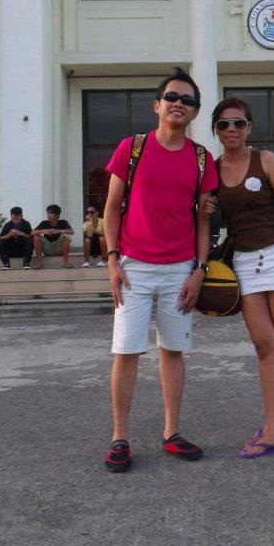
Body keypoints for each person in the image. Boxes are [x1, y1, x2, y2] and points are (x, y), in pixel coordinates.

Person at [102, 67, 218, 473]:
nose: (179, 104)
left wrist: (199, 270)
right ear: (157, 105)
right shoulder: (132, 148)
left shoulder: (202, 159)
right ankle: (120, 436)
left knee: (173, 351)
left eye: (188, 100)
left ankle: (171, 432)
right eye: (172, 97)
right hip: (133, 267)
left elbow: (204, 220)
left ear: (195, 111)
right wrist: (113, 259)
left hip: (179, 270)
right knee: (127, 352)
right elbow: (111, 209)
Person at [209, 96, 274, 459]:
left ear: (249, 127)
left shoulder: (265, 160)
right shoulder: (214, 169)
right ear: (216, 130)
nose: (232, 129)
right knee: (264, 344)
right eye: (224, 124)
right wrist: (206, 207)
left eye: (238, 123)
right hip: (244, 262)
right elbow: (213, 219)